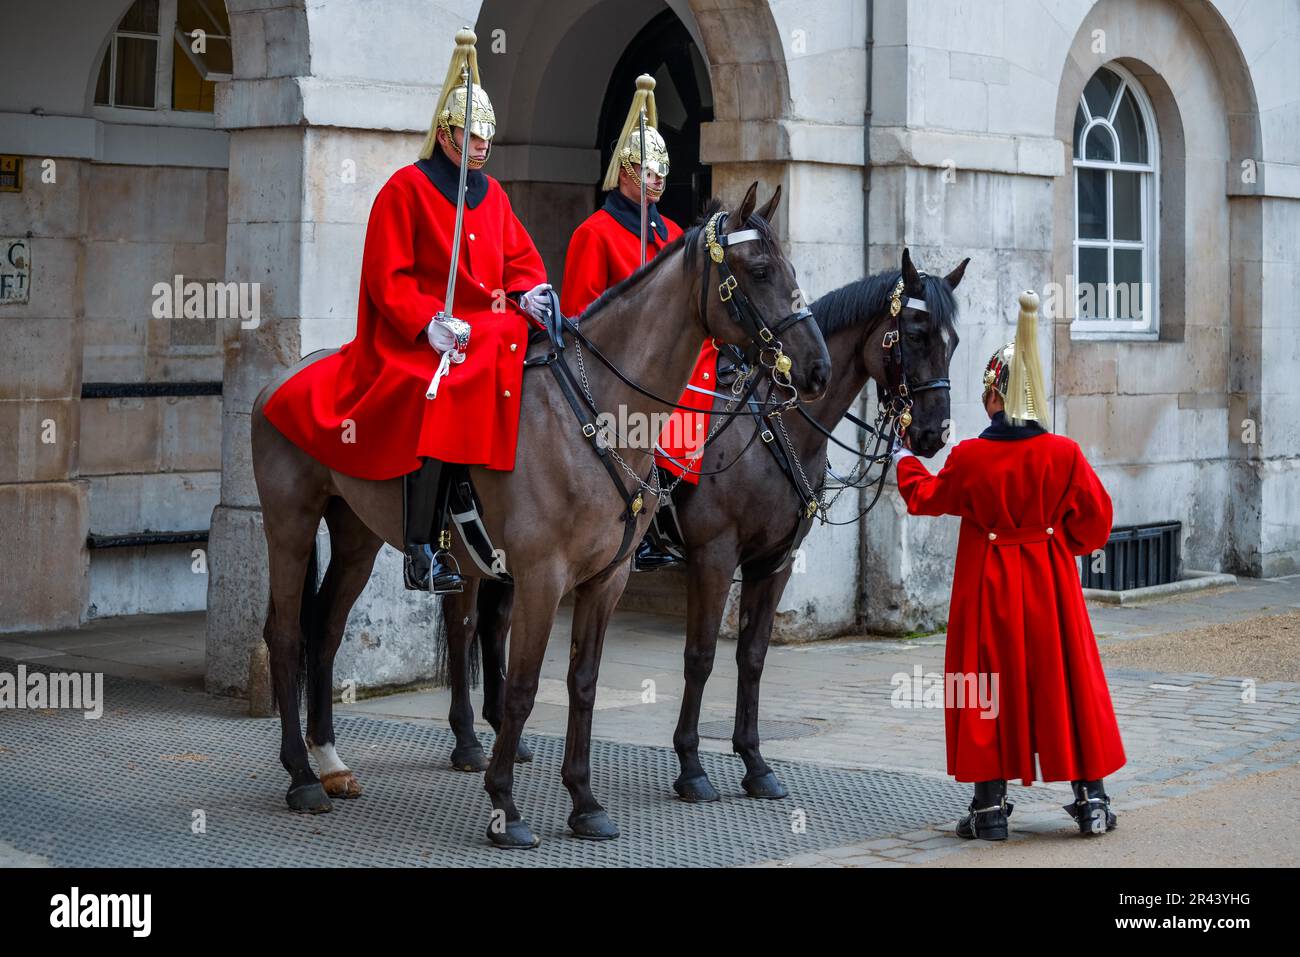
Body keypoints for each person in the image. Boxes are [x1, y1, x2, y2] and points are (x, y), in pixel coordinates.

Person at [262, 29, 551, 594]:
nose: (482, 147)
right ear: (446, 135)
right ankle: (424, 546)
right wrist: (427, 322)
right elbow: (386, 279)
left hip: (486, 328)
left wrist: (531, 291)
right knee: (437, 392)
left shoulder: (492, 196)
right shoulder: (405, 189)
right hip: (416, 339)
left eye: (488, 138)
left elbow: (520, 261)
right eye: (472, 136)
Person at [891, 290, 1127, 839]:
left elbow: (928, 498)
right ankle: (1092, 800)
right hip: (1050, 585)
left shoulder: (972, 456)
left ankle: (989, 809)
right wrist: (1054, 541)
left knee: (984, 688)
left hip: (987, 587)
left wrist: (902, 456)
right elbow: (1097, 523)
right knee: (1065, 679)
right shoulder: (1063, 453)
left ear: (996, 396)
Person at [560, 74, 709, 571]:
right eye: (650, 173)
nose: (658, 183)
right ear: (625, 172)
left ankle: (668, 513)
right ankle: (637, 516)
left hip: (661, 361)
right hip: (615, 365)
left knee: (703, 378)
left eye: (663, 175)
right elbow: (583, 313)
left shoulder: (669, 232)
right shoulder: (594, 232)